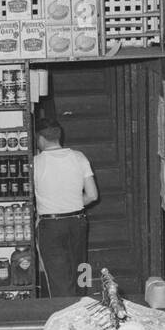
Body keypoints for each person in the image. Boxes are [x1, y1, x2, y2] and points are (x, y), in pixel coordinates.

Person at [32, 124, 97, 297]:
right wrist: (73, 203)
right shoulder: (79, 157)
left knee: (58, 279)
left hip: (50, 225)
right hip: (78, 221)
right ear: (58, 137)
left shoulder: (35, 162)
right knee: (81, 269)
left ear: (40, 139)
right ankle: (84, 308)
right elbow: (92, 195)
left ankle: (65, 319)